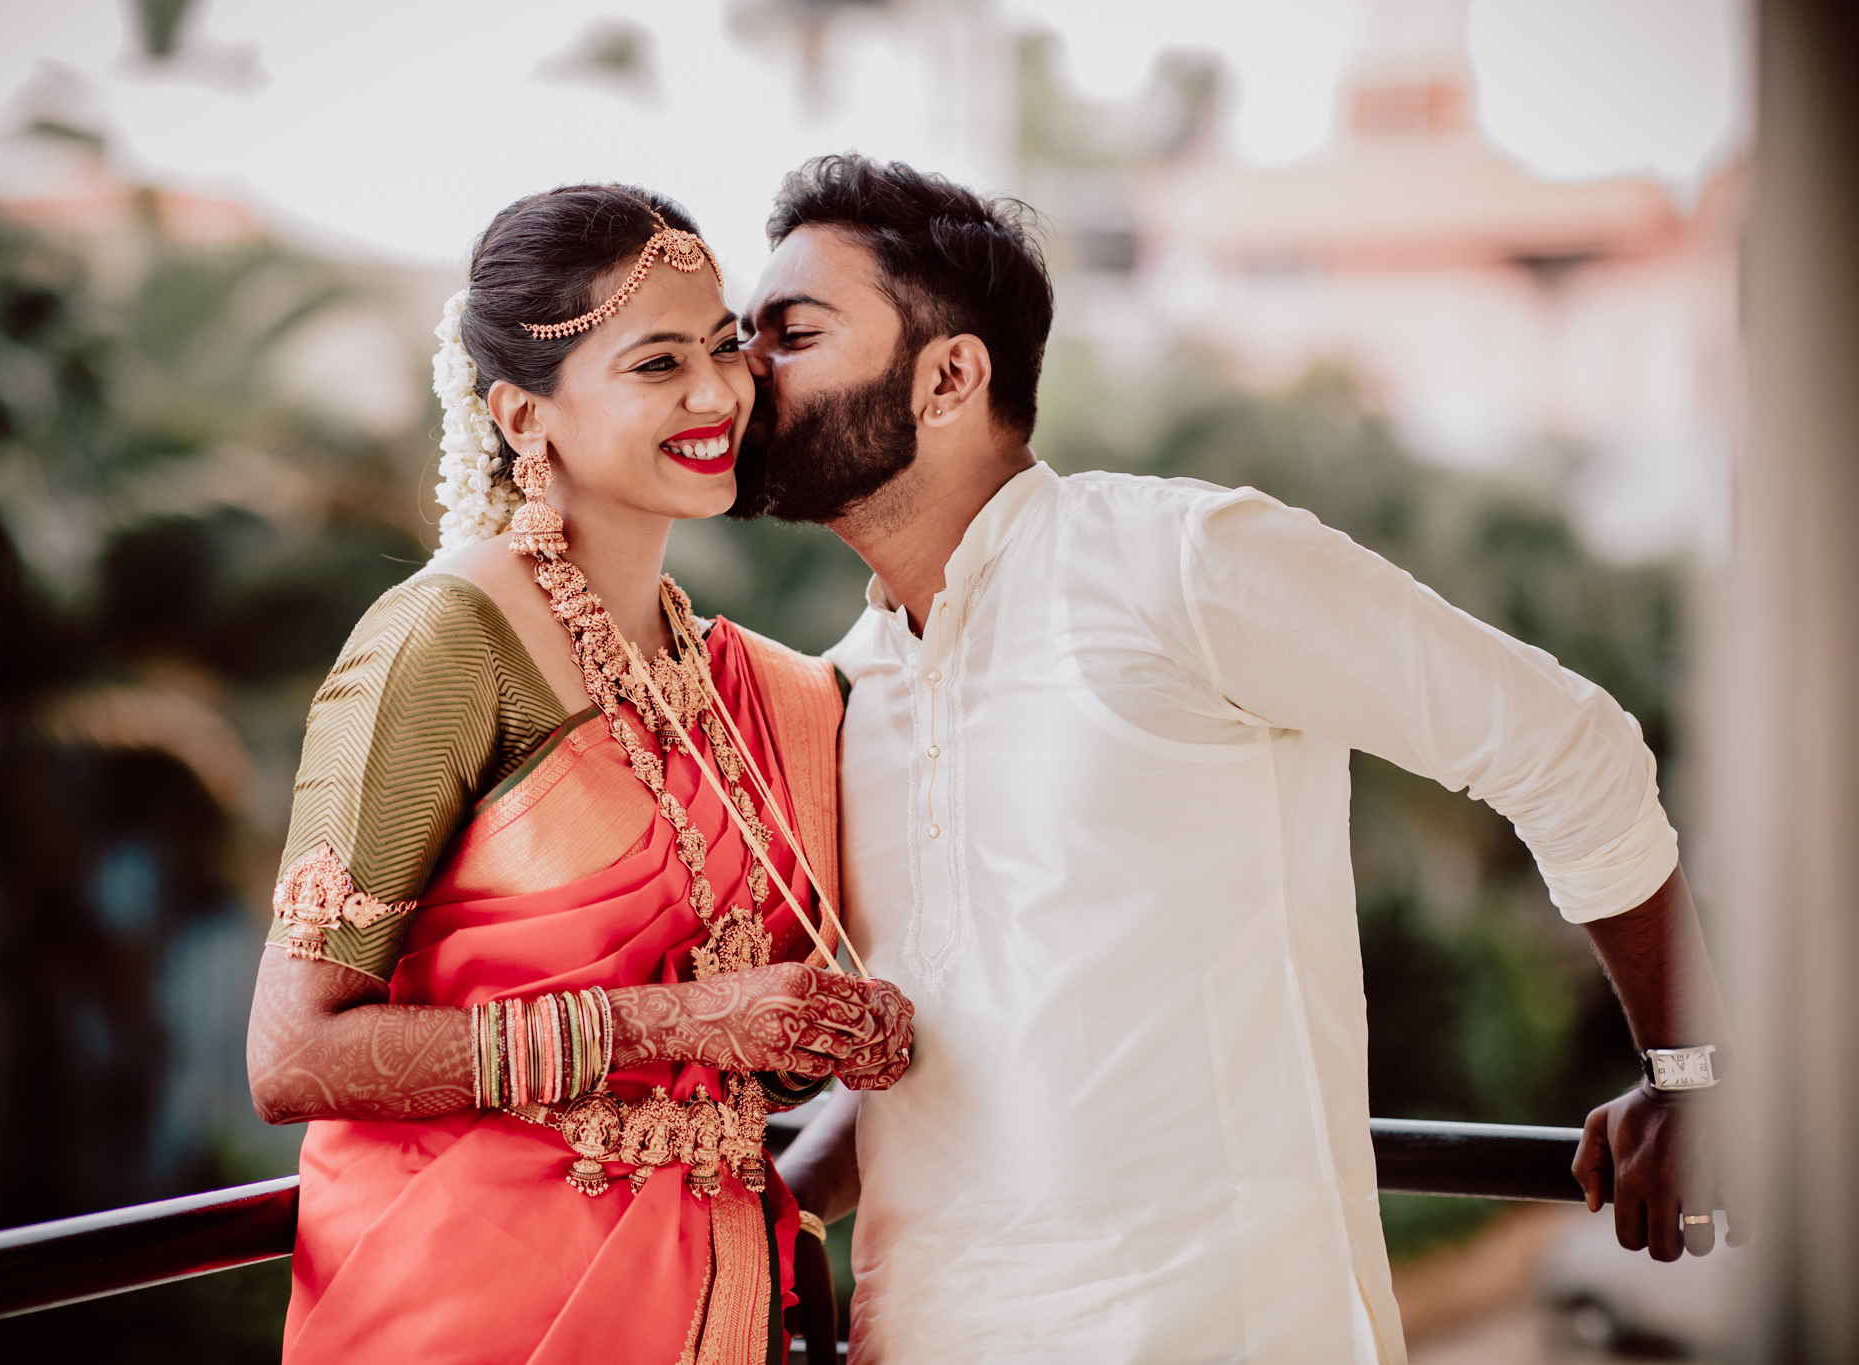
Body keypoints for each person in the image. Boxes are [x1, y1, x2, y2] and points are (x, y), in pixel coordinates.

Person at [740, 154, 1744, 1365]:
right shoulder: (847, 690)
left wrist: (1690, 1075)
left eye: (789, 331)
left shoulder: (1178, 563)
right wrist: (766, 1198)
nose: (743, 371)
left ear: (949, 375)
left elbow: (1564, 745)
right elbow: (948, 1033)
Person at [244, 183, 913, 1365]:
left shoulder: (744, 681)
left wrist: (799, 1080)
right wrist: (694, 1019)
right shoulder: (446, 640)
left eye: (723, 348)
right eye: (656, 364)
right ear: (521, 412)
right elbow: (294, 1057)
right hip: (469, 1303)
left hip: (711, 1304)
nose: (718, 394)